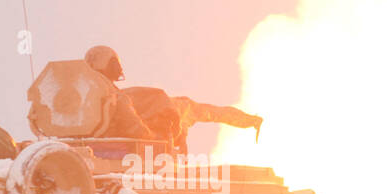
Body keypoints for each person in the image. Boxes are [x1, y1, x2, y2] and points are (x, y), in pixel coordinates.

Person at [84, 45, 262, 152]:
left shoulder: (88, 99)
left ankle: (249, 120)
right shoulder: (121, 99)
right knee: (200, 110)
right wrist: (155, 139)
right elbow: (138, 131)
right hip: (151, 135)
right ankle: (250, 120)